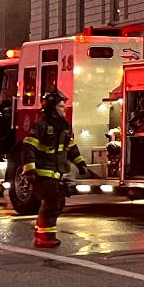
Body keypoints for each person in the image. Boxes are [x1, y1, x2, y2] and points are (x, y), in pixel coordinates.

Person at [25, 89, 88, 249]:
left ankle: (43, 235)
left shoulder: (64, 127)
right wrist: (30, 170)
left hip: (56, 173)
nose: (64, 109)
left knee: (56, 204)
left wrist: (80, 163)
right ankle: (44, 238)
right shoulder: (41, 126)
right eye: (61, 106)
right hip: (43, 173)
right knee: (51, 204)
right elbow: (28, 148)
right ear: (52, 108)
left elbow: (71, 147)